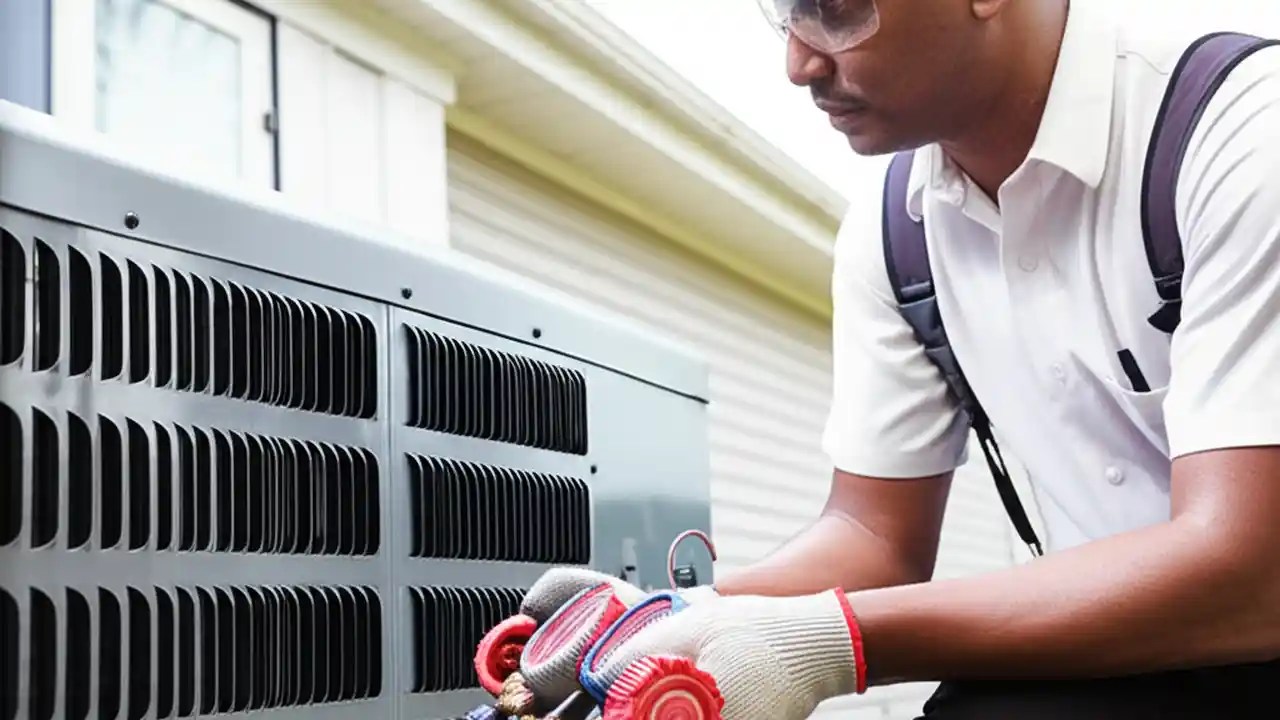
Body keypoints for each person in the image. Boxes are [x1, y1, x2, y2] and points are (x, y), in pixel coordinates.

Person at [526, 0, 1280, 717]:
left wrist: (831, 642)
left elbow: (1252, 571)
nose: (798, 63)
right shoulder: (893, 235)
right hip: (1127, 660)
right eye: (783, 12)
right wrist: (689, 615)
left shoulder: (1239, 132)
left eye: (835, 8)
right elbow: (874, 536)